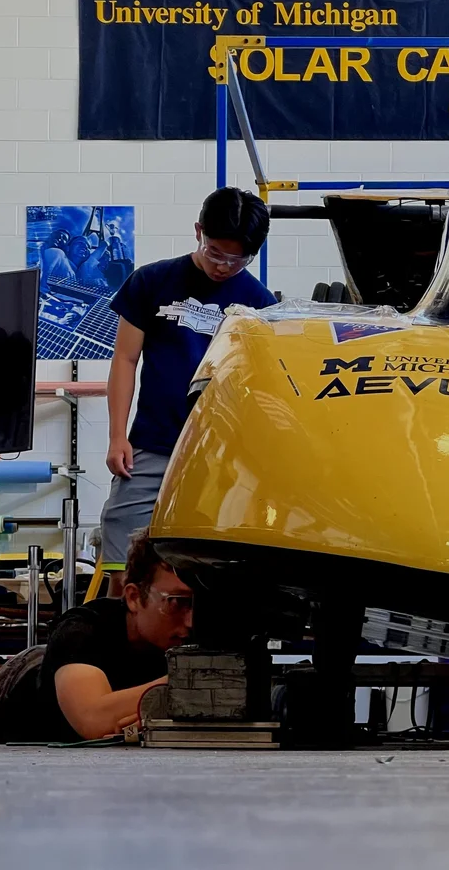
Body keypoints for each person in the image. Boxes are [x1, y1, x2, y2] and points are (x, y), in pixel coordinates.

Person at [100, 187, 276, 593]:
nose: (224, 267)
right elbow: (125, 360)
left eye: (238, 259)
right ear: (198, 231)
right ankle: (115, 637)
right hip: (152, 443)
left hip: (218, 453)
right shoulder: (152, 281)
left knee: (209, 563)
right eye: (215, 253)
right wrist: (116, 436)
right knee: (121, 550)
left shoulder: (260, 305)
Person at [0, 530, 192, 744]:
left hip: (64, 669)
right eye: (177, 602)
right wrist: (188, 682)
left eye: (198, 603)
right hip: (17, 686)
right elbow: (93, 720)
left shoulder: (194, 631)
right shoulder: (84, 628)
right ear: (134, 597)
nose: (191, 620)